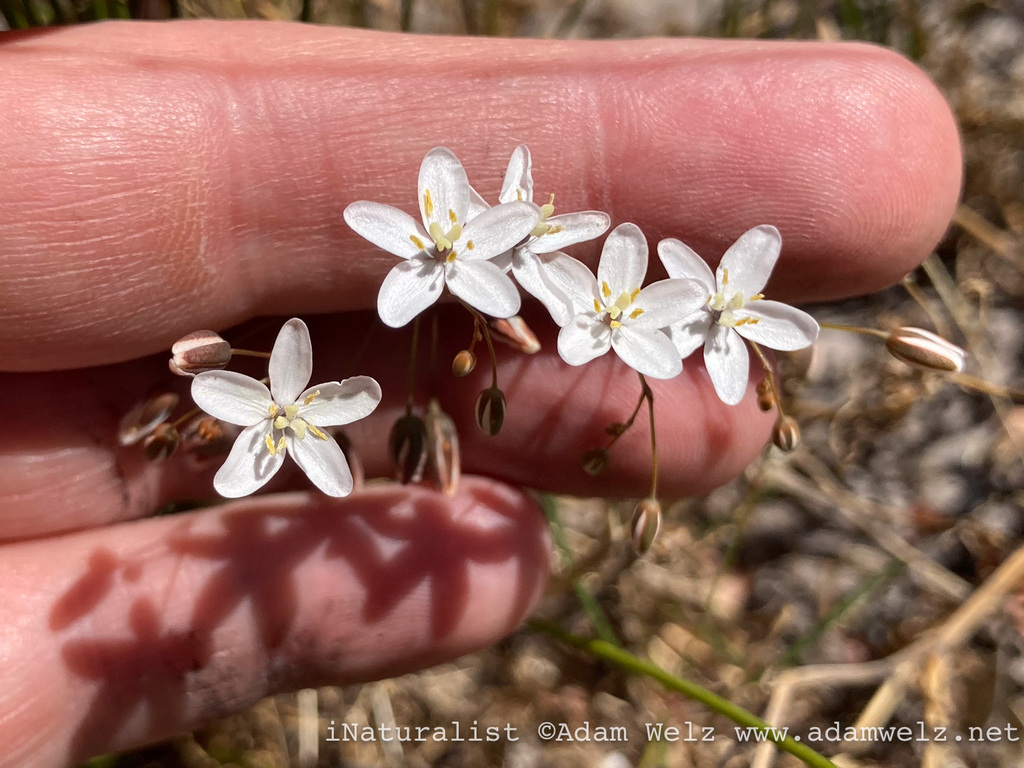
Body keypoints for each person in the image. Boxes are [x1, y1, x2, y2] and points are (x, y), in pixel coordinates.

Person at [0, 20, 961, 768]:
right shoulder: (427, 285)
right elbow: (435, 282)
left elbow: (620, 285)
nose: (457, 242)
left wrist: (556, 287)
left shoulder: (616, 290)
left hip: (586, 307)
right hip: (434, 319)